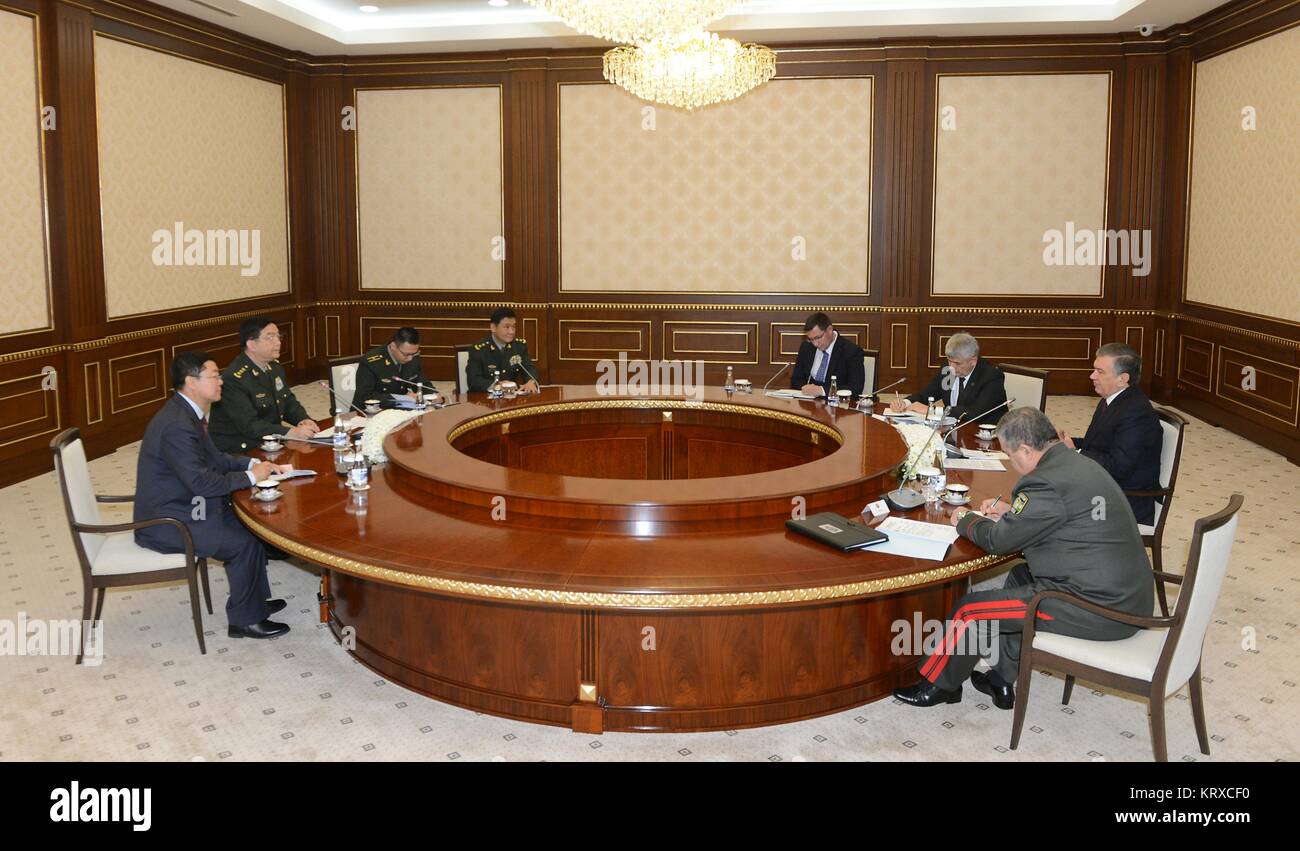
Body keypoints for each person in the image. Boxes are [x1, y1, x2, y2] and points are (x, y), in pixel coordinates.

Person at [892, 407, 1154, 710]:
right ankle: (1002, 679)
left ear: (1027, 449)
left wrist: (964, 518)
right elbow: (1062, 514)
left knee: (971, 611)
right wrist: (1014, 513)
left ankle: (938, 686)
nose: (1012, 463)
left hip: (1095, 609)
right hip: (1127, 597)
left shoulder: (1044, 483)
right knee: (1019, 577)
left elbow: (998, 541)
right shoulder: (1075, 463)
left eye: (1010, 454)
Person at [134, 351, 291, 639]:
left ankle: (253, 603)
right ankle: (244, 622)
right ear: (191, 382)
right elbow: (201, 483)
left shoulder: (188, 412)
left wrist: (252, 464)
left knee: (252, 527)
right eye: (215, 375)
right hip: (168, 519)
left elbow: (214, 457)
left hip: (186, 504)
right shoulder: (177, 424)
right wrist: (249, 478)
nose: (221, 381)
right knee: (241, 543)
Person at [1058, 342, 1163, 525]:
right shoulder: (1112, 399)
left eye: (1100, 372)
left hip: (1124, 502)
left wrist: (1076, 452)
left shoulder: (1136, 413)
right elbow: (1100, 445)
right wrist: (1071, 443)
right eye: (1094, 370)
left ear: (1122, 379)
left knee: (1049, 507)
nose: (1092, 376)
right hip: (1106, 487)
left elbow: (1118, 467)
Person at [209, 317, 319, 453]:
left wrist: (303, 419)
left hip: (270, 442)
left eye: (278, 336)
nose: (278, 342)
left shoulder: (274, 368)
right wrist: (290, 432)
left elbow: (288, 401)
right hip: (241, 449)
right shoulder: (234, 379)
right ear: (251, 344)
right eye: (270, 338)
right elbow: (250, 425)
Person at [890, 331, 1006, 422]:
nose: (952, 367)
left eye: (957, 363)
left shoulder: (991, 378)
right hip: (953, 431)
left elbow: (972, 414)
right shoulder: (949, 370)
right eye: (949, 361)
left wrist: (933, 411)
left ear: (973, 361)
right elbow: (927, 394)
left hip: (982, 439)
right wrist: (905, 403)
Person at [353, 327, 443, 409]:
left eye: (414, 353)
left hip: (399, 409)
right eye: (406, 354)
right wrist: (402, 398)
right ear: (393, 346)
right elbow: (365, 397)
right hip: (369, 412)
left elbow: (421, 382)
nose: (410, 358)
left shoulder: (412, 356)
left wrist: (433, 394)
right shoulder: (371, 362)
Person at [790, 312, 866, 397]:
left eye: (818, 338)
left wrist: (822, 391)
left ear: (829, 330)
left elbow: (855, 388)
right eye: (811, 339)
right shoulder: (807, 347)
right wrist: (805, 388)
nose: (815, 344)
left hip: (836, 405)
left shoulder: (851, 351)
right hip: (808, 403)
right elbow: (796, 380)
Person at [466, 307, 539, 393]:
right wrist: (497, 385)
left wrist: (531, 381)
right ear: (493, 327)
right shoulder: (479, 350)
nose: (511, 332)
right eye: (506, 327)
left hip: (511, 398)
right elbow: (473, 381)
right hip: (485, 400)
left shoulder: (519, 346)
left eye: (513, 327)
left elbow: (529, 368)